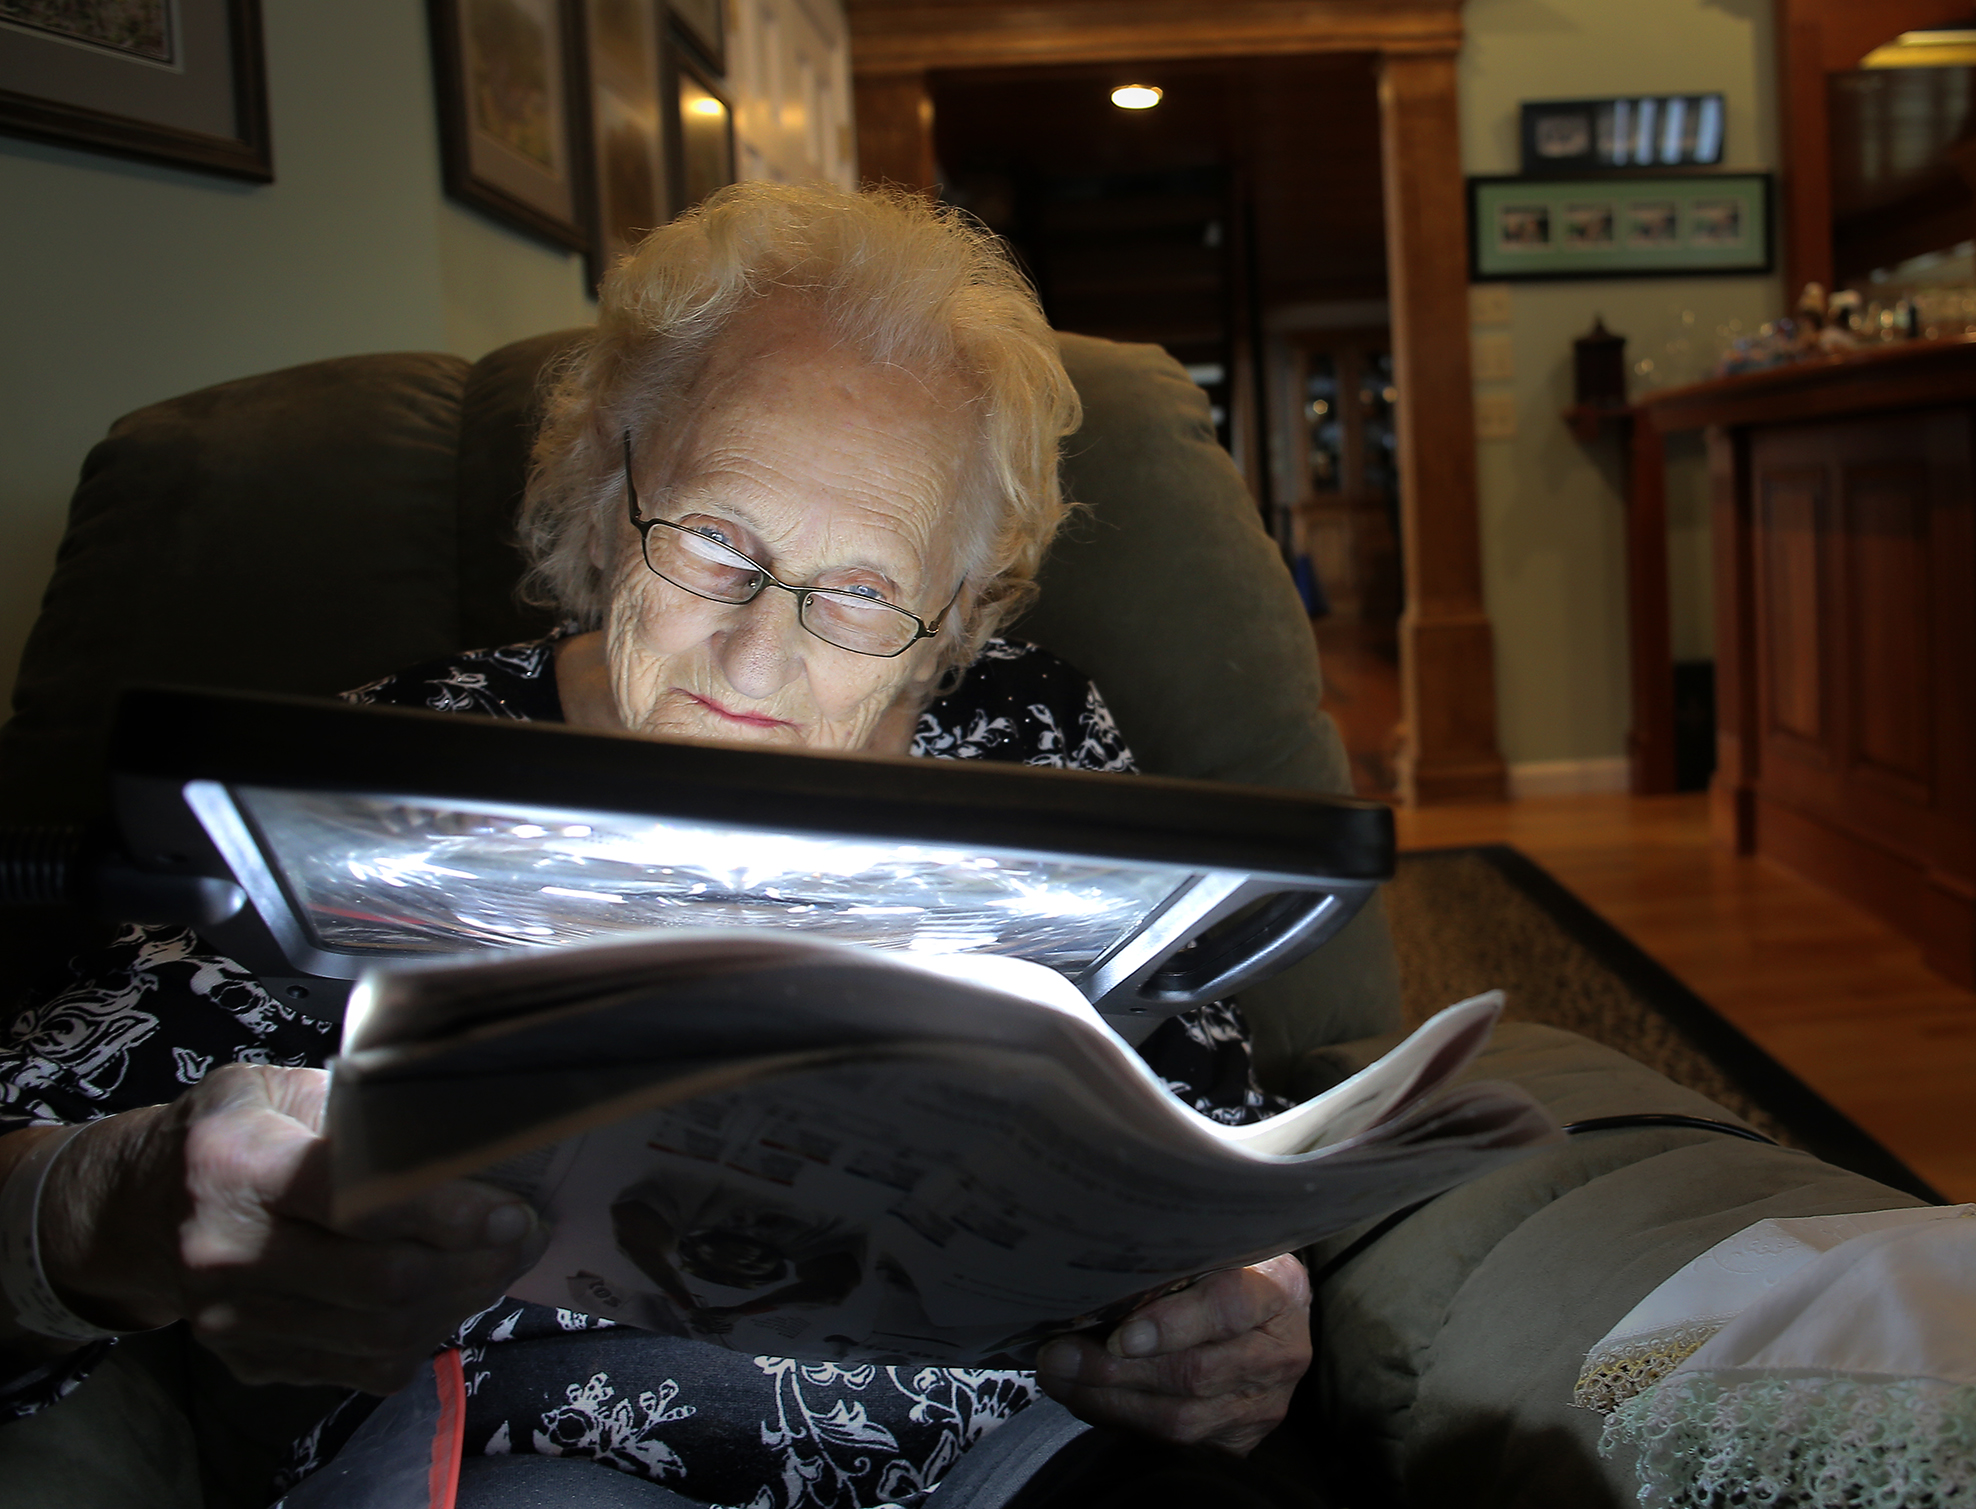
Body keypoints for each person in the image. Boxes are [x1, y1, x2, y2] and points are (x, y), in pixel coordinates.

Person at [0, 184, 1314, 1505]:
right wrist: (105, 1204)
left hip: (1007, 1448)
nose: (760, 653)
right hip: (529, 1451)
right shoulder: (382, 772)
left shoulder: (1036, 735)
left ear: (958, 608)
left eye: (862, 593)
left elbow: (1203, 1117)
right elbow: (41, 1137)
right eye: (714, 542)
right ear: (602, 491)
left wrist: (1240, 1305)